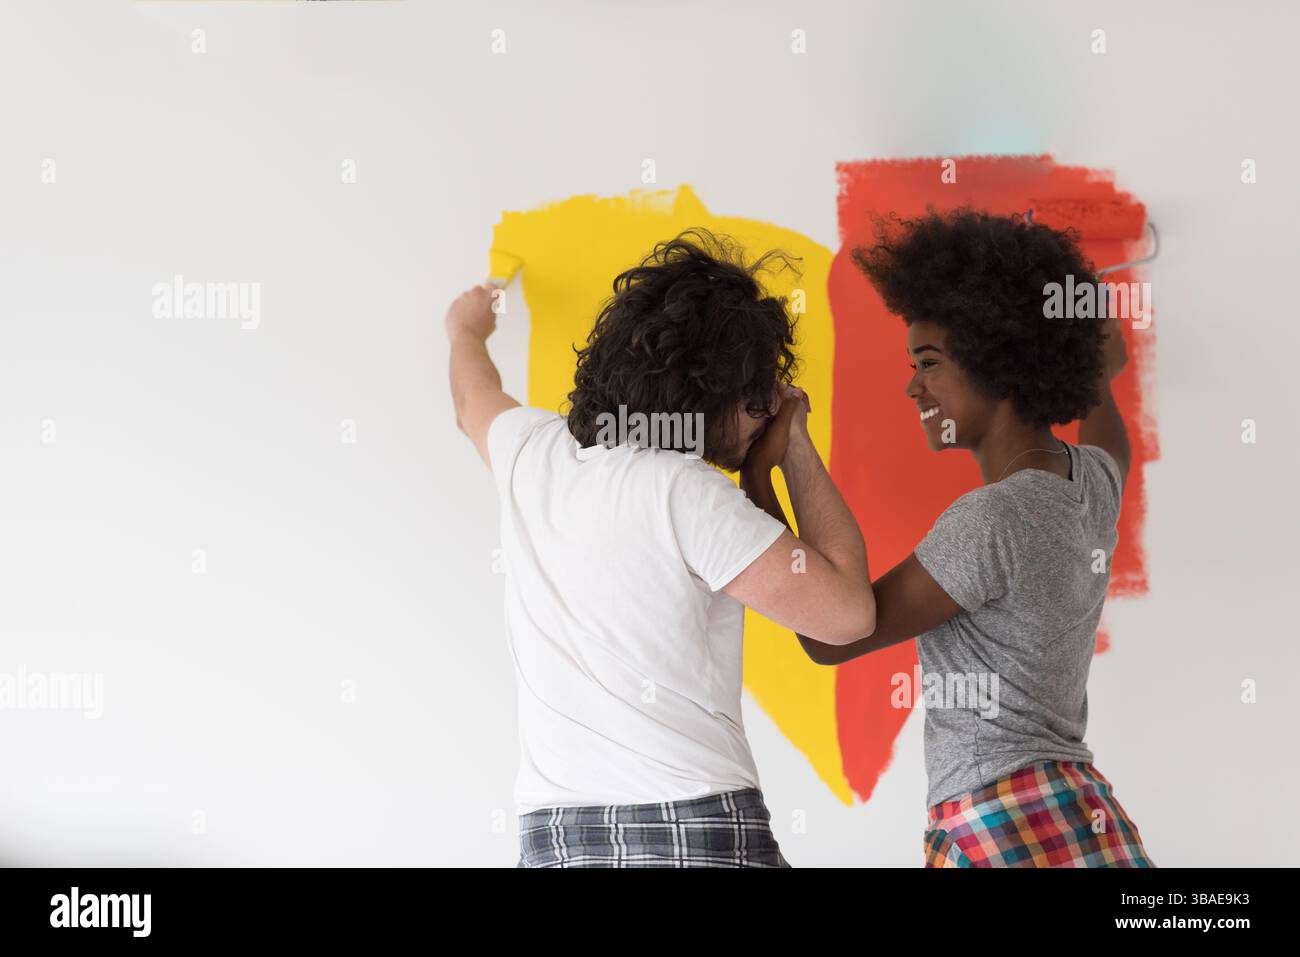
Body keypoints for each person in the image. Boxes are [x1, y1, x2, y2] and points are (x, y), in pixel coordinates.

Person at [446, 229, 874, 867]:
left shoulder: (530, 454)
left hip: (556, 839)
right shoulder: (687, 492)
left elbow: (471, 397)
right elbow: (848, 615)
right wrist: (796, 447)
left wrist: (465, 331)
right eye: (758, 397)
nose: (764, 413)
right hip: (695, 828)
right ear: (711, 395)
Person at [745, 209, 1154, 867]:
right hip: (1076, 807)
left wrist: (763, 473)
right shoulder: (1087, 487)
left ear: (1000, 359)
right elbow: (1112, 441)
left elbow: (829, 635)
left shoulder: (990, 520)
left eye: (928, 362)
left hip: (1004, 817)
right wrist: (1102, 370)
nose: (913, 385)